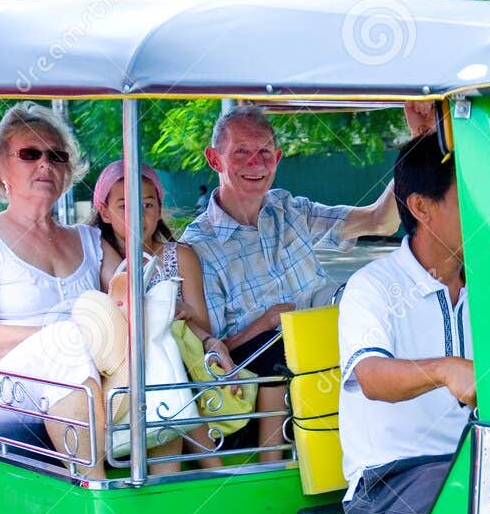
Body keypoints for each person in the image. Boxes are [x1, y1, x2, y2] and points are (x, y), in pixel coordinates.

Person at [180, 103, 428, 456]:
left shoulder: (288, 208)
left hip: (333, 356)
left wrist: (420, 141)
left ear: (278, 157)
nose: (256, 163)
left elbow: (380, 222)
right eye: (241, 152)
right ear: (214, 159)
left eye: (265, 151)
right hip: (261, 382)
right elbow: (215, 350)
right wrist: (268, 323)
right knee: (280, 352)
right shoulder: (198, 247)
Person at [337, 133, 473, 514]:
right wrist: (445, 367)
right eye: (470, 197)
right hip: (387, 480)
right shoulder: (373, 287)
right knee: (471, 510)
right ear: (421, 208)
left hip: (473, 459)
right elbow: (371, 377)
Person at [0, 102, 117, 476]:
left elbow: (128, 296)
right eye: (29, 154)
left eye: (56, 156)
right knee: (67, 343)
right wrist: (68, 334)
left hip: (78, 378)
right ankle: (97, 489)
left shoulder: (89, 240)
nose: (45, 164)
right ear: (0, 167)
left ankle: (177, 479)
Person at [92, 160, 245, 472]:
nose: (137, 214)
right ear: (105, 212)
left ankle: (206, 473)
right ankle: (212, 469)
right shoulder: (98, 256)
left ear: (159, 209)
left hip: (179, 357)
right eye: (124, 205)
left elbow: (203, 326)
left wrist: (184, 314)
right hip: (122, 366)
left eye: (147, 204)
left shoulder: (180, 255)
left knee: (170, 353)